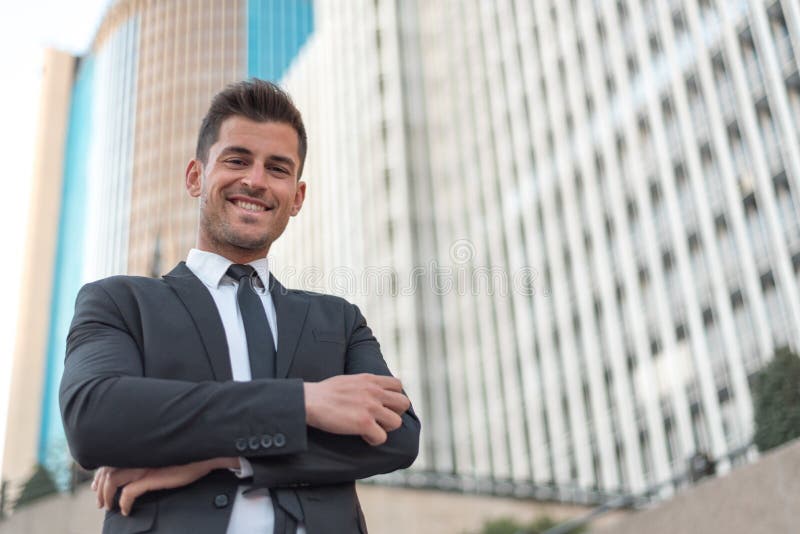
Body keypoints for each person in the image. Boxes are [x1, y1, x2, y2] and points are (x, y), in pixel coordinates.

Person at [60, 79, 420, 534]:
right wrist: (305, 402)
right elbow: (95, 418)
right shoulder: (119, 302)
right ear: (196, 177)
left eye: (277, 168)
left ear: (297, 198)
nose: (254, 180)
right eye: (237, 160)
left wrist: (220, 455)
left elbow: (398, 438)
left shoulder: (340, 320)